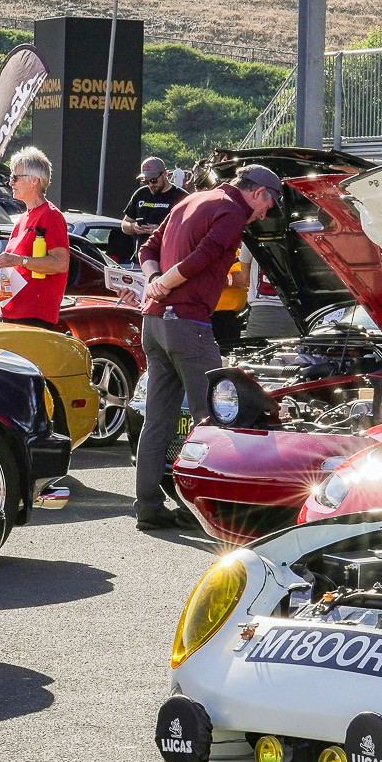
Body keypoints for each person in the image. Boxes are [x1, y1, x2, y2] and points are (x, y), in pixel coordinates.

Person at [133, 163, 282, 530]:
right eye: (268, 205)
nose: (265, 214)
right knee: (213, 418)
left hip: (153, 323)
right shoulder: (232, 210)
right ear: (258, 193)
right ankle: (211, 510)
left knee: (158, 420)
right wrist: (164, 283)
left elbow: (148, 247)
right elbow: (204, 256)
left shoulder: (191, 199)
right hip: (188, 325)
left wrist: (153, 282)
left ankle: (148, 507)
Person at [0, 146, 69, 329]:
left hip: (34, 317)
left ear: (34, 181)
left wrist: (19, 260)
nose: (11, 183)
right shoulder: (22, 219)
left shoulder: (51, 216)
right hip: (11, 313)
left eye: (15, 177)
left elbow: (60, 264)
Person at [121, 157, 183, 238]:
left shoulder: (181, 197)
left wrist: (161, 231)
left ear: (164, 174)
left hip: (166, 249)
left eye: (153, 180)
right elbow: (124, 224)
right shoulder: (140, 194)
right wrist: (134, 227)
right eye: (146, 181)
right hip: (141, 249)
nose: (150, 184)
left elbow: (188, 231)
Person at [212, 244, 250, 349]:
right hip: (213, 317)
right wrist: (231, 279)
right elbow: (204, 280)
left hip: (232, 319)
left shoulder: (239, 253)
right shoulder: (209, 252)